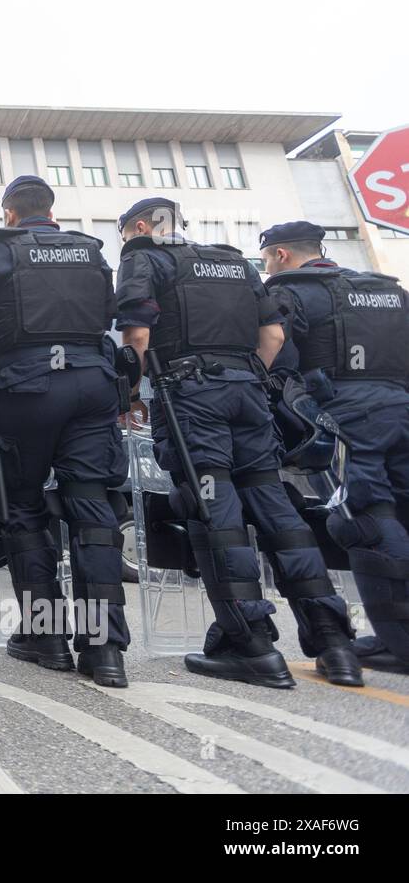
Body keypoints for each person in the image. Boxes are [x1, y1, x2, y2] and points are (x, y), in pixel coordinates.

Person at [115, 199, 362, 687]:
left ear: (142, 227)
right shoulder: (231, 260)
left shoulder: (143, 257)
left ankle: (251, 645)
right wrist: (243, 379)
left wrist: (129, 395)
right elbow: (271, 336)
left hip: (190, 398)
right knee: (279, 512)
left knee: (215, 515)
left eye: (125, 232)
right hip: (249, 395)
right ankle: (334, 643)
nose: (125, 239)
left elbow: (137, 335)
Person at [0, 175, 131, 686]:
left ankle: (45, 639)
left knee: (24, 511)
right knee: (92, 512)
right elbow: (108, 321)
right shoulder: (90, 252)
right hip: (92, 386)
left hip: (26, 390)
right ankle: (104, 649)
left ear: (9, 213)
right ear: (51, 208)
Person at [261, 221, 409, 673]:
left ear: (281, 254)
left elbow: (278, 358)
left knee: (365, 521)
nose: (266, 266)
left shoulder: (291, 292)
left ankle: (400, 643)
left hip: (348, 416)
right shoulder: (387, 291)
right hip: (402, 407)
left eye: (267, 258)